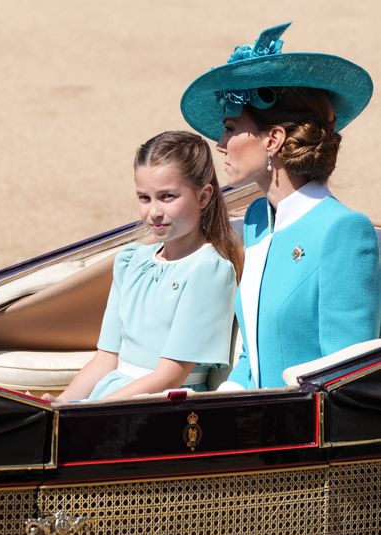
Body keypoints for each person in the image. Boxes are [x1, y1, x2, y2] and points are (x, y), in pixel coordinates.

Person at [181, 23, 381, 390]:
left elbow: (347, 379)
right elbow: (252, 357)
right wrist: (225, 401)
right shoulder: (258, 220)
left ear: (273, 139)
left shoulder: (344, 230)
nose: (220, 143)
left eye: (230, 127)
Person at [44, 131, 240, 403]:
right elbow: (105, 358)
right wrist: (60, 404)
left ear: (203, 197)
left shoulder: (209, 271)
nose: (154, 212)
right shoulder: (131, 261)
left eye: (167, 196)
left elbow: (168, 377)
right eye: (144, 198)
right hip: (111, 396)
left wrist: (89, 411)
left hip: (163, 405)